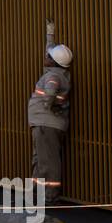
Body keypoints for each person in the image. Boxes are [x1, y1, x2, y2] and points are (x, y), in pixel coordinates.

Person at [27, 43, 73, 200]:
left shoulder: (53, 77)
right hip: (43, 124)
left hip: (47, 124)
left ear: (54, 62)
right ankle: (36, 192)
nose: (46, 57)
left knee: (47, 161)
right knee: (39, 158)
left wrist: (48, 104)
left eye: (49, 56)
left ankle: (50, 195)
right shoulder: (59, 74)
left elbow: (51, 92)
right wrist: (50, 32)